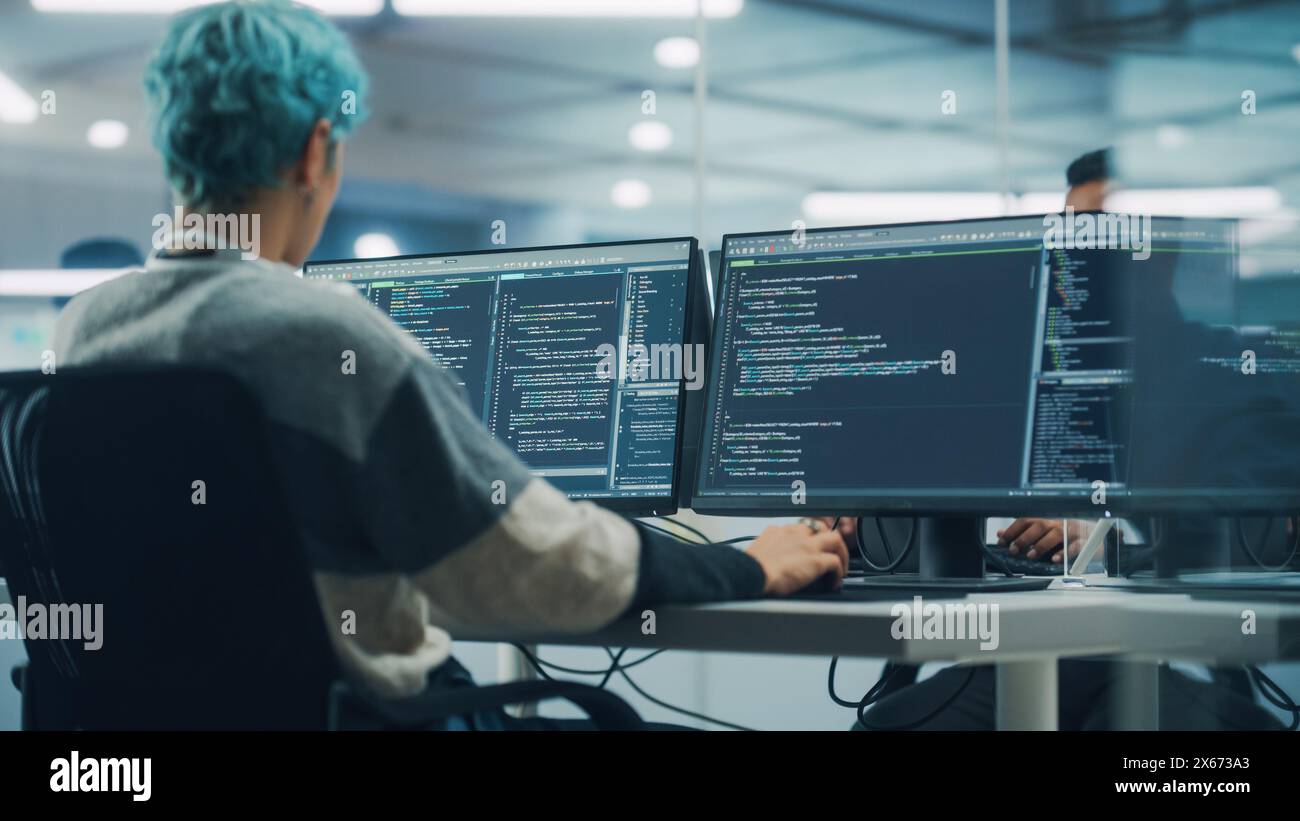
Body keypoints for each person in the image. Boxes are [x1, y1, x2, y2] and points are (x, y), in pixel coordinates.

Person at [50, 0, 848, 730]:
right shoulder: (328, 338)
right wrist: (740, 564)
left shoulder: (84, 329)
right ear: (313, 150)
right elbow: (529, 565)